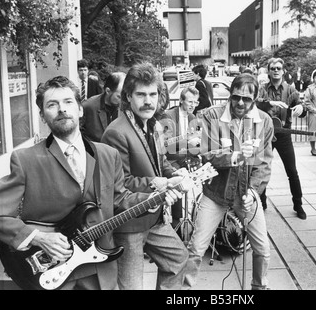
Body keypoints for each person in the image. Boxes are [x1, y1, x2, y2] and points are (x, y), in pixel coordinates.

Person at [0, 76, 182, 290]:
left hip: (99, 270)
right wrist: (38, 238)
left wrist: (151, 198)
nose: (62, 109)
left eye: (68, 102)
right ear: (42, 115)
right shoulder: (25, 159)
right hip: (51, 270)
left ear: (80, 109)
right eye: (52, 104)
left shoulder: (107, 154)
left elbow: (120, 199)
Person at [101, 63, 190, 290]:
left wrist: (174, 172)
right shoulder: (116, 131)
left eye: (153, 94)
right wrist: (156, 183)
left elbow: (159, 163)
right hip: (129, 223)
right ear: (128, 96)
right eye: (141, 94)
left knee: (178, 260)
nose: (148, 101)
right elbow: (118, 184)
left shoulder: (155, 125)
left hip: (155, 218)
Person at [184, 73, 274, 290]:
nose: (240, 103)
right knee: (196, 248)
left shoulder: (264, 121)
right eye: (236, 97)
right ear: (229, 95)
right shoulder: (211, 116)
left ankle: (259, 288)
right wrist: (235, 156)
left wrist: (253, 192)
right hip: (216, 193)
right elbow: (206, 153)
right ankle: (184, 291)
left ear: (255, 99)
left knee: (262, 248)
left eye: (246, 99)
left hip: (246, 194)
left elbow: (264, 162)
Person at [255, 57, 307, 220]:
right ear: (269, 71)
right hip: (266, 133)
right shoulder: (262, 89)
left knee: (292, 170)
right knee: (261, 169)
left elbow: (302, 109)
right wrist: (272, 102)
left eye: (279, 68)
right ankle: (261, 203)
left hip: (284, 133)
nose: (276, 70)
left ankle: (298, 205)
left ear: (283, 71)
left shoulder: (291, 90)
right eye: (273, 68)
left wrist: (301, 107)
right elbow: (257, 104)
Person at [159, 86, 201, 229]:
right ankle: (174, 223)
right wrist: (185, 139)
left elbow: (193, 145)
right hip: (169, 160)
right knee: (177, 189)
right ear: (181, 100)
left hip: (183, 159)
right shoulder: (168, 115)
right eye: (190, 102)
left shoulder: (193, 118)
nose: (193, 105)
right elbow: (165, 144)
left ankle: (179, 224)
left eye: (196, 102)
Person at [81, 72, 126, 142]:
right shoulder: (88, 106)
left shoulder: (127, 107)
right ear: (108, 91)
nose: (122, 101)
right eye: (119, 97)